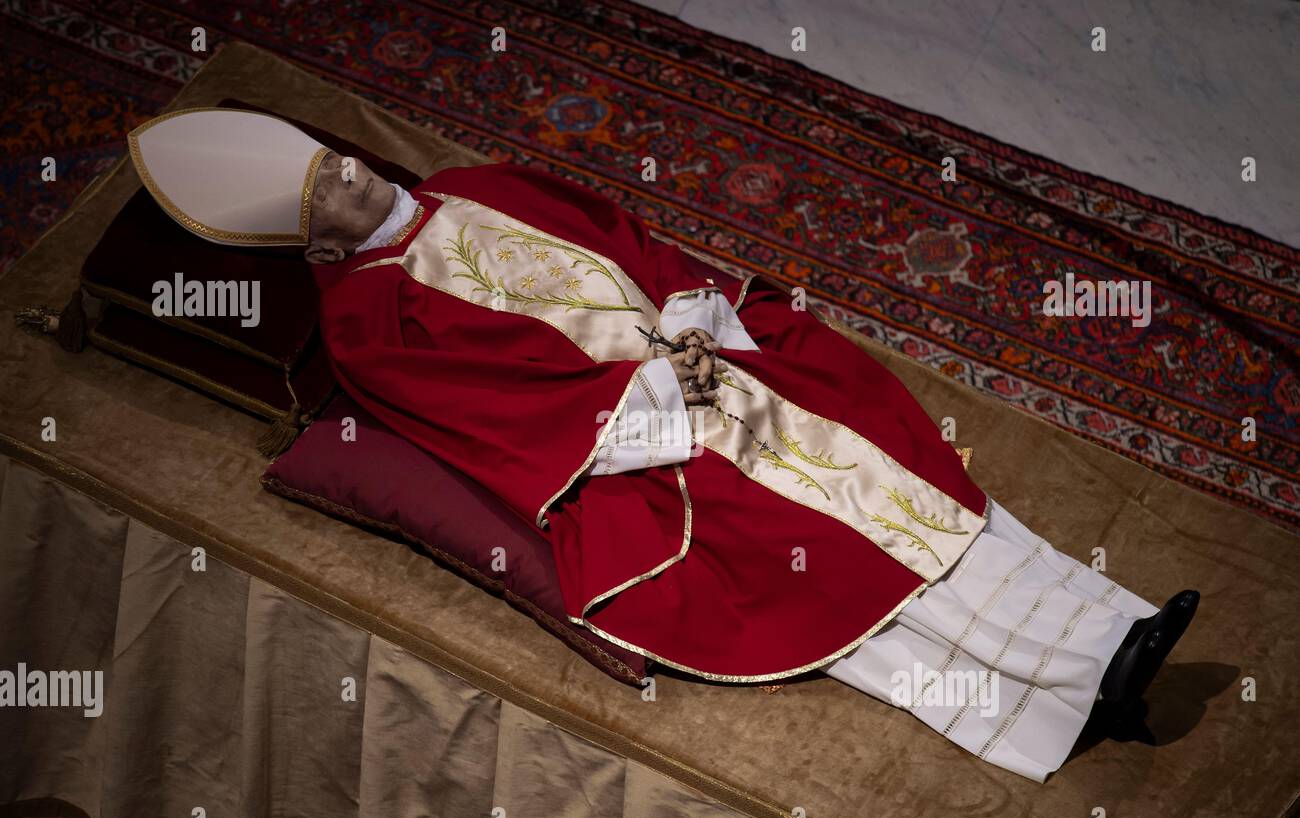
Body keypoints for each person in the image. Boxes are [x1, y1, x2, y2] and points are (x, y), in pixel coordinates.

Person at [128, 108, 1200, 782]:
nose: (351, 179)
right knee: (820, 538)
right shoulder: (367, 325)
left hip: (696, 352)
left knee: (898, 463)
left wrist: (696, 319)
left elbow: (627, 240)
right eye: (328, 194)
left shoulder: (473, 184)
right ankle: (1075, 683)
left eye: (338, 163)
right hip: (632, 450)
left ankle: (1115, 629)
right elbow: (498, 419)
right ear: (315, 237)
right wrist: (672, 389)